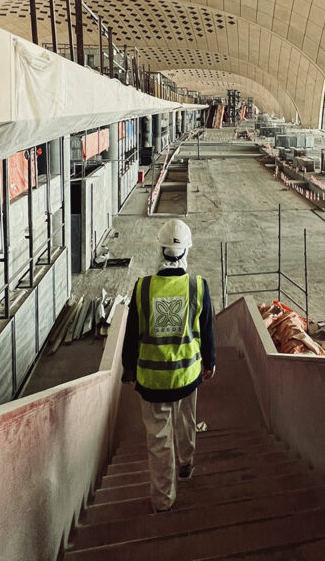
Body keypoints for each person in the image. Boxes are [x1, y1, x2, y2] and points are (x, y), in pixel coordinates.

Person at [121, 218, 216, 512]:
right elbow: (207, 330)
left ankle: (163, 499)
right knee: (186, 420)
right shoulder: (198, 286)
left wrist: (129, 369)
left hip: (152, 382)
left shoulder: (142, 288)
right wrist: (210, 361)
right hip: (188, 375)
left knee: (159, 440)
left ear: (159, 250)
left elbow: (132, 334)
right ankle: (186, 463)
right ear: (187, 250)